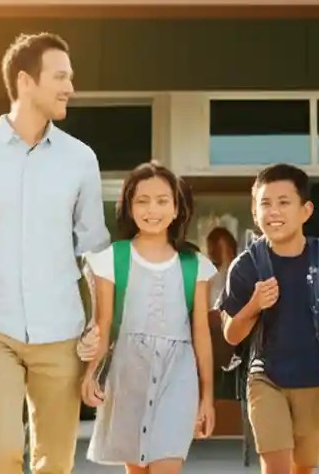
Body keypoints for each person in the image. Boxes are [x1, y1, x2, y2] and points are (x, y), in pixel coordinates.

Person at [0, 32, 111, 474]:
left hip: (62, 331)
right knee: (1, 455)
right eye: (60, 76)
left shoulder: (80, 159)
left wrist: (100, 325)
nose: (70, 87)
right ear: (25, 81)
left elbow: (94, 248)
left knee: (55, 462)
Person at [218, 164, 319, 474]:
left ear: (306, 210)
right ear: (255, 213)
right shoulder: (246, 265)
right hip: (266, 376)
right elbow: (232, 335)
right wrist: (254, 305)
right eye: (265, 203)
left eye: (283, 202)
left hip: (314, 377)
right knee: (276, 465)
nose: (273, 211)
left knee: (304, 466)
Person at [82, 161, 217, 471]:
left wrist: (207, 396)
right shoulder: (112, 259)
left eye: (162, 201)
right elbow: (102, 325)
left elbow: (201, 333)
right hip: (129, 374)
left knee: (167, 463)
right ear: (129, 207)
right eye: (142, 200)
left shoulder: (194, 264)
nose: (152, 209)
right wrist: (89, 374)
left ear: (176, 208)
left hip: (178, 376)